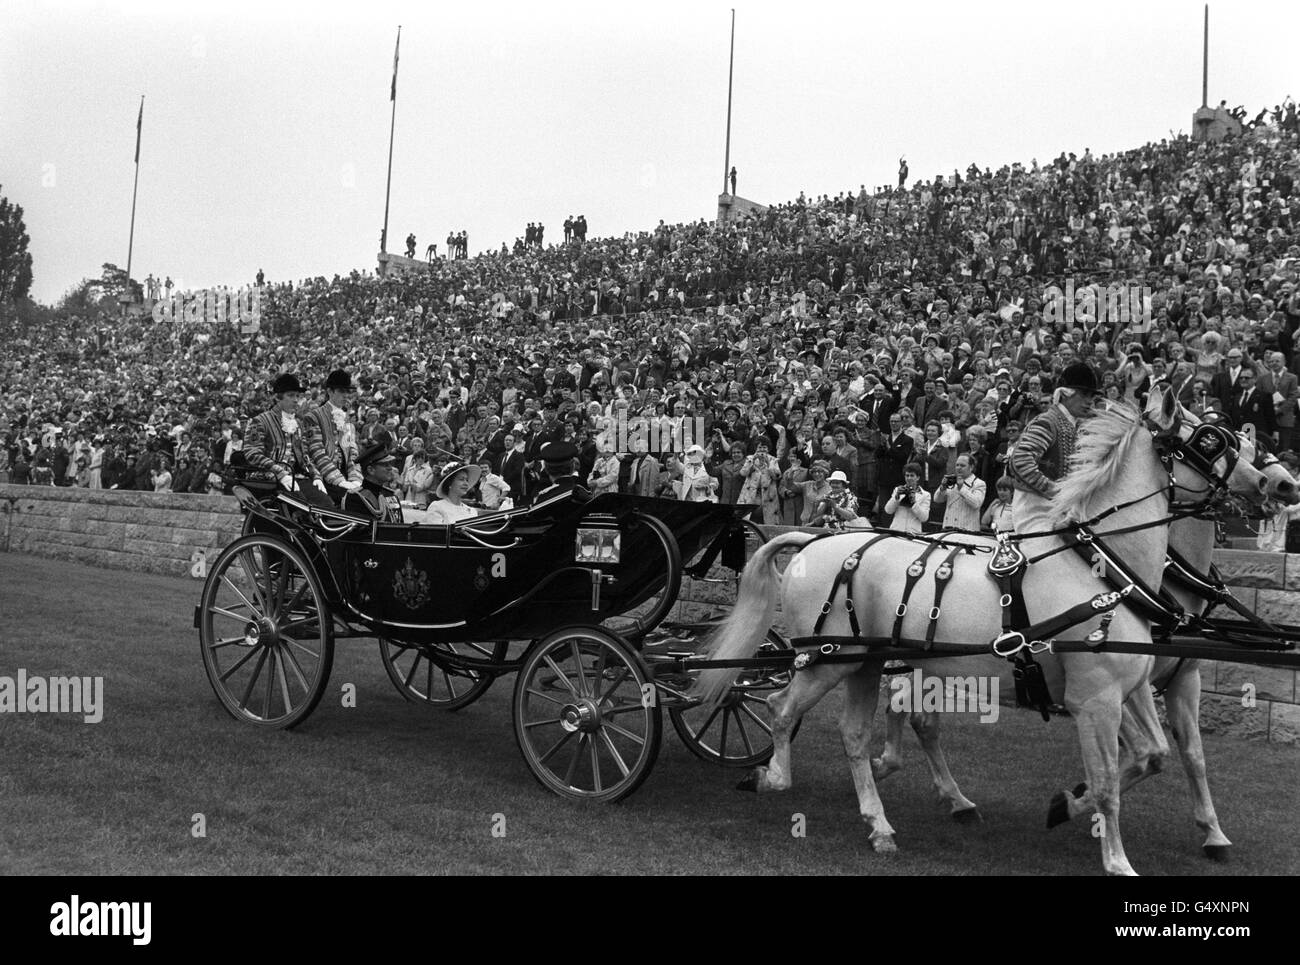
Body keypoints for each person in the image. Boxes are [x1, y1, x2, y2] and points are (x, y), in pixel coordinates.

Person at [1009, 361, 1098, 534]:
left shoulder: (1073, 425)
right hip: (1035, 511)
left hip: (1059, 511)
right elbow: (1020, 460)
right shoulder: (1048, 422)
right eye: (1084, 395)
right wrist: (1056, 491)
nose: (1090, 402)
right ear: (1065, 394)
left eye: (1092, 396)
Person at [301, 369, 363, 503]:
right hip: (323, 478)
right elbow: (317, 452)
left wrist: (355, 478)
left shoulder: (346, 418)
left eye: (348, 392)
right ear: (330, 391)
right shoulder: (314, 416)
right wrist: (339, 480)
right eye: (342, 391)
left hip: (346, 476)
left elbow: (352, 451)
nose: (346, 395)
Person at [342, 435, 408, 523]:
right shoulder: (355, 498)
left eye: (390, 464)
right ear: (371, 470)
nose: (390, 468)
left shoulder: (390, 495)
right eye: (385, 465)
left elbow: (400, 528)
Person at [934, 452, 986, 531]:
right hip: (948, 528)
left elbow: (976, 503)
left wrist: (961, 488)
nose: (958, 468)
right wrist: (943, 488)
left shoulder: (979, 484)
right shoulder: (951, 480)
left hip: (967, 530)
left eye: (962, 465)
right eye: (957, 465)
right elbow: (937, 500)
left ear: (971, 467)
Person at [884, 462, 930, 534]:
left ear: (918, 477)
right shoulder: (898, 490)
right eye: (907, 475)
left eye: (912, 475)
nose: (909, 478)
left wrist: (913, 503)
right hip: (896, 530)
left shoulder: (925, 495)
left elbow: (924, 518)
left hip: (913, 533)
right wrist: (897, 497)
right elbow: (888, 510)